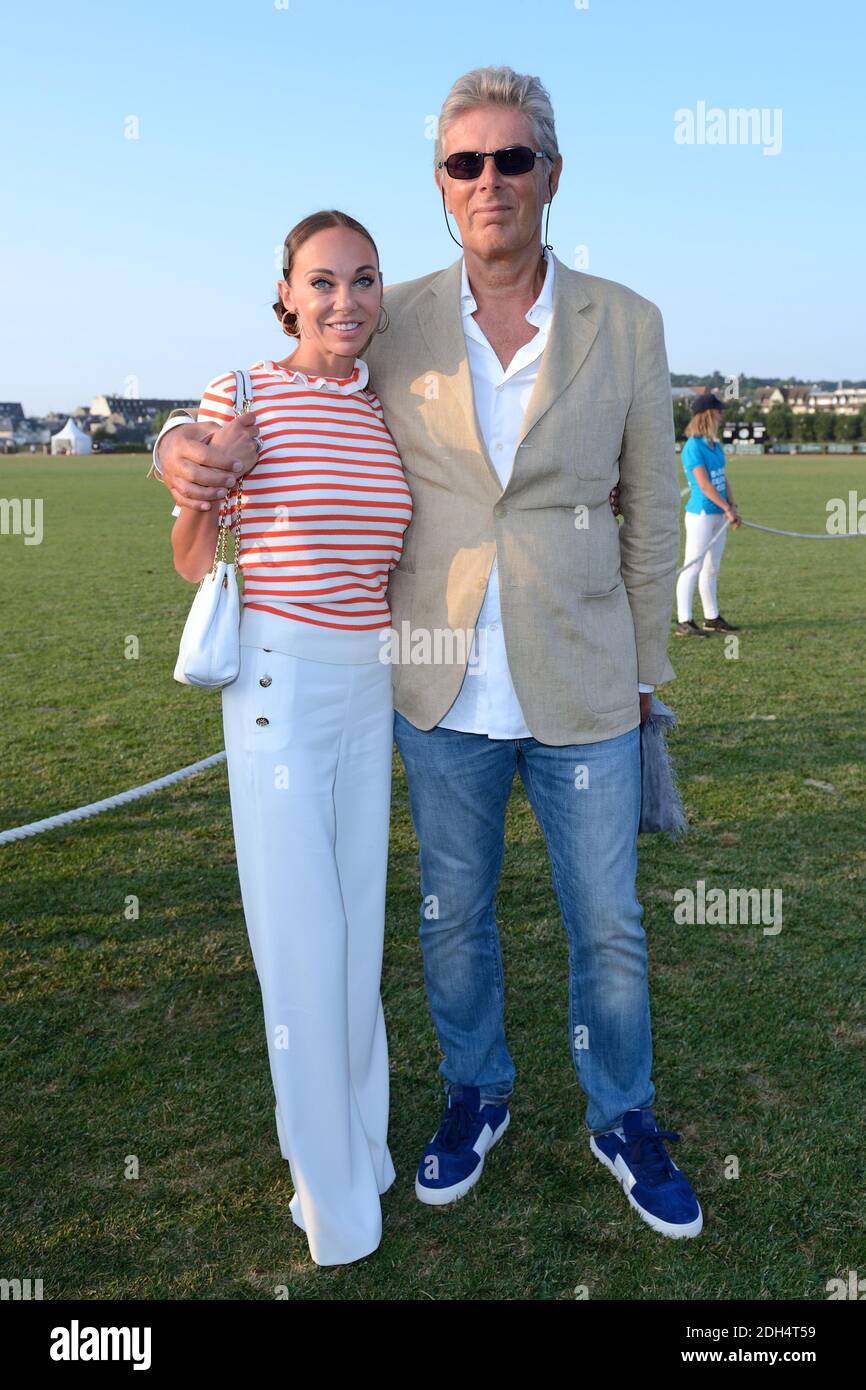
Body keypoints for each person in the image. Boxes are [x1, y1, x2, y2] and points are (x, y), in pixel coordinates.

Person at [152, 64, 703, 1241]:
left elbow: (653, 512)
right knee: (451, 921)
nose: (490, 180)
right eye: (466, 163)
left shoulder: (629, 321)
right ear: (441, 187)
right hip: (431, 680)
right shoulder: (388, 314)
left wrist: (649, 669)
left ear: (550, 173)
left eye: (512, 159)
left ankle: (623, 1116)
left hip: (587, 677)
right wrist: (170, 445)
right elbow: (262, 394)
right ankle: (475, 1096)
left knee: (606, 922)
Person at [169, 210, 413, 1267]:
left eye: (362, 281)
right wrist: (193, 465)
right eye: (321, 283)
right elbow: (190, 550)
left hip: (369, 688)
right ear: (285, 295)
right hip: (276, 688)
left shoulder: (383, 410)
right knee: (302, 946)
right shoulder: (245, 392)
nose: (344, 302)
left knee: (355, 938)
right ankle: (335, 1203)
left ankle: (367, 1147)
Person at [675, 392, 742, 636]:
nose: (722, 416)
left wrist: (732, 506)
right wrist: (726, 508)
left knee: (711, 568)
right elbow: (704, 485)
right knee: (692, 566)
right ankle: (684, 620)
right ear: (708, 415)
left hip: (719, 514)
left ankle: (712, 618)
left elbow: (722, 479)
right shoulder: (693, 447)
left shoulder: (715, 445)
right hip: (702, 514)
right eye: (719, 412)